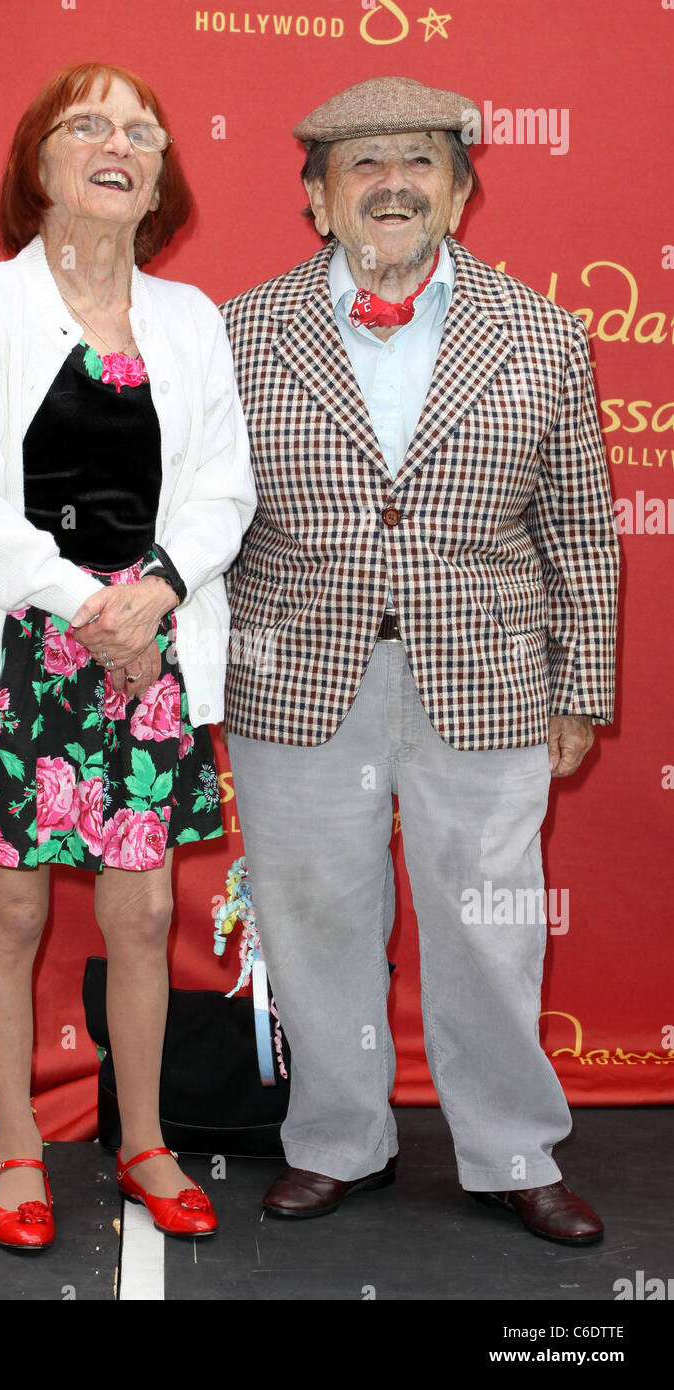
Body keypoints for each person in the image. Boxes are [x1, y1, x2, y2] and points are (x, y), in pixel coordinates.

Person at [220, 76, 618, 1244]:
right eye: (362, 164)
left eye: (420, 163)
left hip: (489, 678)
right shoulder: (240, 331)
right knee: (313, 921)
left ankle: (512, 1151)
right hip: (292, 678)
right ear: (315, 198)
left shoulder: (542, 330)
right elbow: (203, 513)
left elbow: (584, 525)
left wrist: (582, 681)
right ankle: (338, 1141)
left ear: (460, 189)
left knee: (492, 923)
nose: (392, 182)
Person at [0, 62, 255, 1249]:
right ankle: (18, 1147)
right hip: (27, 651)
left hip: (148, 652)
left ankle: (145, 1141)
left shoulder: (192, 318)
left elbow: (225, 488)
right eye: (92, 125)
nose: (124, 144)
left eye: (145, 133)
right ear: (41, 165)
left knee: (146, 909)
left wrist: (153, 594)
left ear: (160, 177)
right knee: (12, 910)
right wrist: (87, 603)